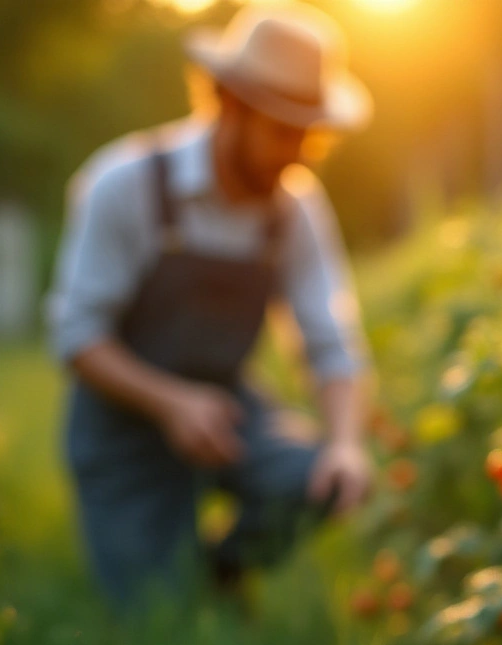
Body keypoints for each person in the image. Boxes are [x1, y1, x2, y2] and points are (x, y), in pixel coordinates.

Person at [45, 3, 372, 604]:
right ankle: (167, 568)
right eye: (282, 130)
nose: (297, 153)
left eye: (308, 135)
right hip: (123, 427)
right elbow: (76, 337)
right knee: (155, 621)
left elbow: (332, 342)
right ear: (228, 102)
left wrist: (347, 445)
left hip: (226, 410)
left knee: (322, 481)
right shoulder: (124, 184)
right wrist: (171, 403)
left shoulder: (294, 207)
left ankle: (223, 573)